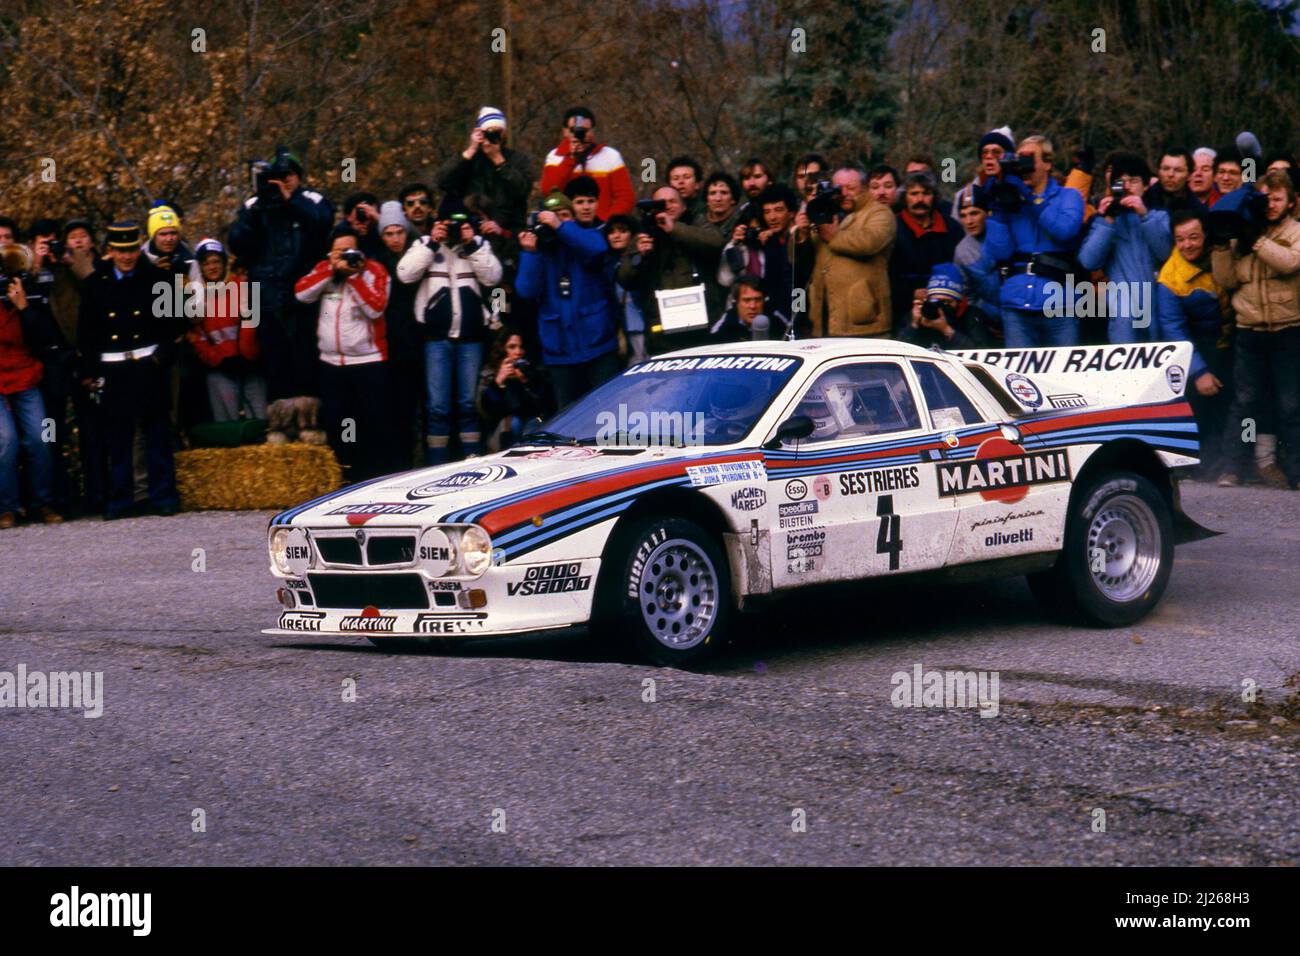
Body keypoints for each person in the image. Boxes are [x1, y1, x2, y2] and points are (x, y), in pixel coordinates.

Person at [77, 222, 183, 519]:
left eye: (132, 250)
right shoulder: (95, 284)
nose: (127, 257)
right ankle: (121, 499)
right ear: (110, 251)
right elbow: (86, 333)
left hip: (149, 366)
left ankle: (163, 496)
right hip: (113, 369)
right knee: (118, 439)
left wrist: (160, 360)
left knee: (158, 434)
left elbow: (174, 328)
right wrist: (89, 371)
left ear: (140, 248)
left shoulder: (160, 279)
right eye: (121, 251)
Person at [1211, 170, 1300, 488]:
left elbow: (1290, 263)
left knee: (1290, 403)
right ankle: (1233, 467)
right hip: (1249, 331)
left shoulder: (1295, 232)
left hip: (1288, 329)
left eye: (1278, 198)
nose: (1271, 204)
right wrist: (1221, 245)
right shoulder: (1244, 231)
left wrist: (1257, 240)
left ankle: (1296, 472)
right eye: (1266, 198)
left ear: (1292, 202)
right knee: (1246, 400)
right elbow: (1227, 280)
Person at [397, 199, 502, 464]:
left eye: (460, 224)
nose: (454, 228)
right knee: (438, 408)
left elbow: (493, 277)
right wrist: (434, 243)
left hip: (471, 340)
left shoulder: (479, 245)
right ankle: (437, 465)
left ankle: (473, 463)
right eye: (449, 223)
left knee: (469, 405)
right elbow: (405, 274)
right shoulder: (423, 245)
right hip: (436, 340)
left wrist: (471, 243)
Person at [227, 147, 334, 405]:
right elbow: (236, 243)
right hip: (266, 298)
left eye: (289, 175)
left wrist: (291, 202)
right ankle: (280, 427)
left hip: (304, 298)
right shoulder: (255, 205)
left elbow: (323, 225)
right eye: (278, 176)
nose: (284, 180)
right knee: (275, 365)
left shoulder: (312, 199)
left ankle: (310, 426)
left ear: (298, 176)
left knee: (307, 362)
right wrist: (259, 208)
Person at [295, 224, 392, 483]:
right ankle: (347, 473)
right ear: (330, 253)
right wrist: (331, 270)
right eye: (340, 251)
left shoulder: (375, 270)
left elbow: (376, 308)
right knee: (343, 423)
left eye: (350, 249)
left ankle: (375, 477)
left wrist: (355, 277)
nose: (346, 255)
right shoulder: (324, 269)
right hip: (332, 364)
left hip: (368, 361)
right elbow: (301, 293)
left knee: (372, 423)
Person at [979, 134, 1086, 347]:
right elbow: (999, 253)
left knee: (1062, 374)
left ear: (1047, 163)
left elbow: (1065, 231)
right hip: (1017, 302)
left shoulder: (1069, 196)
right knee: (1020, 377)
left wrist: (1030, 199)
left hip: (1060, 302)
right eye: (1019, 161)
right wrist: (998, 211)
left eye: (1029, 160)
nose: (1023, 167)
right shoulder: (1012, 202)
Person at [516, 191, 619, 407]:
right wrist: (529, 253)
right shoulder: (539, 252)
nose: (555, 220)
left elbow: (598, 249)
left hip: (598, 346)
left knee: (607, 410)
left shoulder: (587, 236)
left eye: (563, 214)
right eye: (551, 216)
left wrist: (562, 227)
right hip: (559, 352)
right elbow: (526, 291)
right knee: (570, 416)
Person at [1154, 210, 1231, 476]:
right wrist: (1199, 372)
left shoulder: (1223, 253)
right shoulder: (1169, 278)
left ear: (1205, 236)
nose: (1188, 245)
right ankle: (1204, 469)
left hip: (1235, 340)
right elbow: (1174, 329)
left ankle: (1238, 464)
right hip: (1198, 349)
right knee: (1203, 407)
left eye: (1194, 237)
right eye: (1180, 239)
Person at [616, 185, 725, 354]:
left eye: (672, 201)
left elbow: (716, 242)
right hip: (662, 332)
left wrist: (674, 228)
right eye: (661, 203)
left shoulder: (697, 222)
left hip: (703, 325)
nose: (667, 206)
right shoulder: (643, 233)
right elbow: (625, 279)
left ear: (683, 206)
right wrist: (639, 255)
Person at [1077, 150, 1172, 343]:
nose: (1127, 187)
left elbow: (1165, 254)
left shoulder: (1159, 216)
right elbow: (1088, 261)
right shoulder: (1104, 221)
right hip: (1123, 308)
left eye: (1134, 181)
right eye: (1121, 181)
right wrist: (1107, 220)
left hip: (1158, 302)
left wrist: (1144, 216)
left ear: (1146, 186)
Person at [793, 164, 896, 338]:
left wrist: (834, 237)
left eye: (851, 188)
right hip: (823, 317)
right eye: (840, 188)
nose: (845, 193)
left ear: (864, 188)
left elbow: (869, 242)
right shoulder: (826, 212)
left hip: (863, 320)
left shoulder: (880, 213)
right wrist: (801, 233)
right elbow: (801, 260)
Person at [0, 246, 61, 528]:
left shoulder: (32, 292)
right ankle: (8, 506)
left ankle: (43, 502)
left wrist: (24, 309)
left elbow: (45, 339)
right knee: (6, 441)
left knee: (43, 436)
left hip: (27, 376)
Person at [187, 239, 266, 423]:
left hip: (250, 363)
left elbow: (253, 324)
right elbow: (196, 338)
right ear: (200, 267)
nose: (212, 267)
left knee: (260, 421)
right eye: (206, 263)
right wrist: (219, 360)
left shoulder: (241, 288)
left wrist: (249, 355)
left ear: (224, 263)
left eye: (216, 261)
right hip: (220, 367)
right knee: (226, 423)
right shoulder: (195, 298)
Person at [374, 200, 422, 471]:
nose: (395, 239)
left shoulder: (415, 259)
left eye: (399, 232)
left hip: (411, 345)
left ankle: (408, 465)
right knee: (388, 411)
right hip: (385, 345)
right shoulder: (377, 262)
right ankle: (390, 466)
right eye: (388, 233)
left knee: (410, 410)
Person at [889, 170, 961, 331]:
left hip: (948, 304)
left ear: (934, 197)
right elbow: (886, 275)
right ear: (904, 197)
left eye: (926, 193)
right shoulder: (892, 228)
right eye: (914, 193)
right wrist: (911, 293)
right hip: (904, 309)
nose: (920, 199)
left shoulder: (952, 227)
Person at [539, 106, 635, 219]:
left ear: (592, 131)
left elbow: (625, 197)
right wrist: (570, 159)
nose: (579, 134)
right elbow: (549, 192)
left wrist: (608, 223)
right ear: (564, 131)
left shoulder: (609, 155)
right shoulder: (555, 156)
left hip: (602, 226)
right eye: (573, 130)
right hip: (566, 226)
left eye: (584, 131)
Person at [718, 183, 798, 318]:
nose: (772, 217)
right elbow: (725, 279)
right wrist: (734, 244)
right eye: (767, 212)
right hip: (768, 316)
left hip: (793, 314)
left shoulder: (799, 240)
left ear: (791, 213)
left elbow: (799, 285)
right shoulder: (769, 244)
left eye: (778, 210)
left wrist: (798, 316)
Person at [478, 328, 554, 450]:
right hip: (502, 430)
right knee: (514, 422)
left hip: (531, 424)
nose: (518, 352)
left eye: (521, 347)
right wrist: (498, 383)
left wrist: (527, 381)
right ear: (502, 349)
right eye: (512, 347)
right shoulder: (489, 372)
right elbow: (485, 412)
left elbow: (546, 406)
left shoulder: (533, 370)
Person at [898, 264, 993, 350]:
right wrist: (913, 325)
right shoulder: (919, 314)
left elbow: (981, 353)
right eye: (935, 301)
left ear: (959, 302)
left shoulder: (972, 315)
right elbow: (898, 351)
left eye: (946, 302)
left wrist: (947, 330)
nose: (941, 307)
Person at [605, 214, 648, 365]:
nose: (616, 236)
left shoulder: (643, 257)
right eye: (611, 232)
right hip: (623, 331)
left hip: (646, 325)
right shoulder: (605, 264)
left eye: (622, 231)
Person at [708, 275, 786, 342]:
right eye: (747, 300)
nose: (753, 306)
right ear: (736, 302)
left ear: (764, 301)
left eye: (758, 299)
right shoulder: (727, 321)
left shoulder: (775, 318)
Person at [1143, 147, 1202, 214]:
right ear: (1158, 171)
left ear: (1189, 175)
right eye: (1166, 169)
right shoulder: (1144, 201)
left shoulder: (1197, 209)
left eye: (1178, 170)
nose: (1170, 174)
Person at [341, 192, 384, 258]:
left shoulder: (377, 234)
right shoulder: (339, 235)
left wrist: (379, 219)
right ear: (348, 216)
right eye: (361, 213)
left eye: (371, 216)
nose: (366, 220)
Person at [667, 156, 706, 222]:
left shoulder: (708, 211)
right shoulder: (664, 210)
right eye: (675, 178)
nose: (681, 182)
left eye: (687, 177)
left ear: (697, 184)